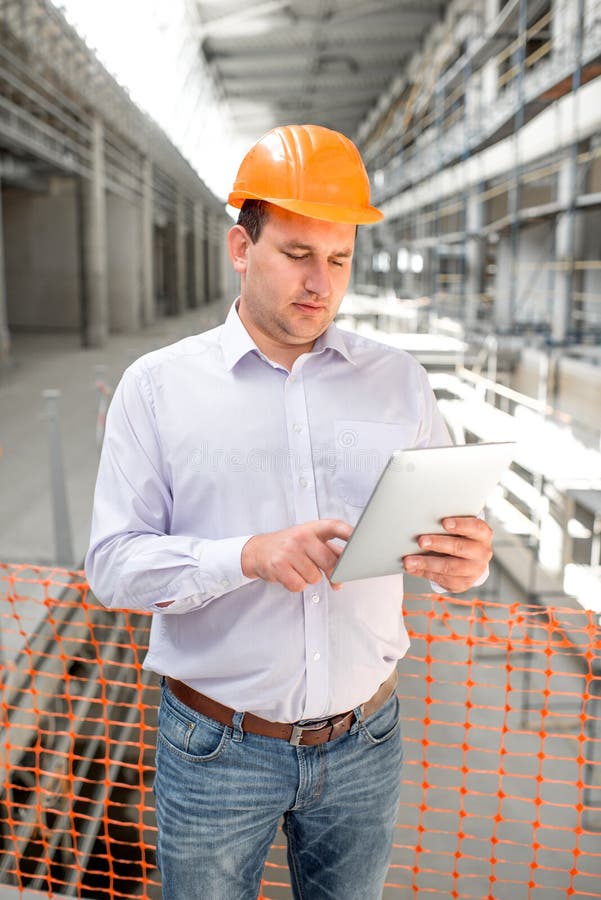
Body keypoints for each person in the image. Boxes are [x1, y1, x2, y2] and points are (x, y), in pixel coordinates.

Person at [85, 124, 492, 900]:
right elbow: (112, 567)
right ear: (241, 249)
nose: (321, 282)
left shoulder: (398, 381)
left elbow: (443, 545)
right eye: (296, 255)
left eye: (338, 259)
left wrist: (463, 563)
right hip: (215, 746)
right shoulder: (158, 388)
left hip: (365, 739)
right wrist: (243, 556)